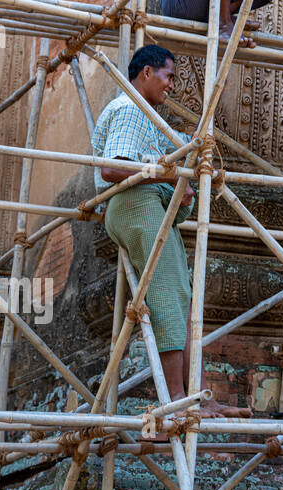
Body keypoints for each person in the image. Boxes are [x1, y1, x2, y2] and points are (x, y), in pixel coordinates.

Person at [93, 44, 250, 419]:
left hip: (149, 205)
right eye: (169, 76)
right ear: (146, 72)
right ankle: (175, 402)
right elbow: (111, 169)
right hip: (135, 204)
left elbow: (179, 157)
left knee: (182, 296)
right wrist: (166, 175)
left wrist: (183, 178)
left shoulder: (148, 118)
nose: (172, 86)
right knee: (165, 295)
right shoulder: (130, 109)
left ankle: (195, 395)